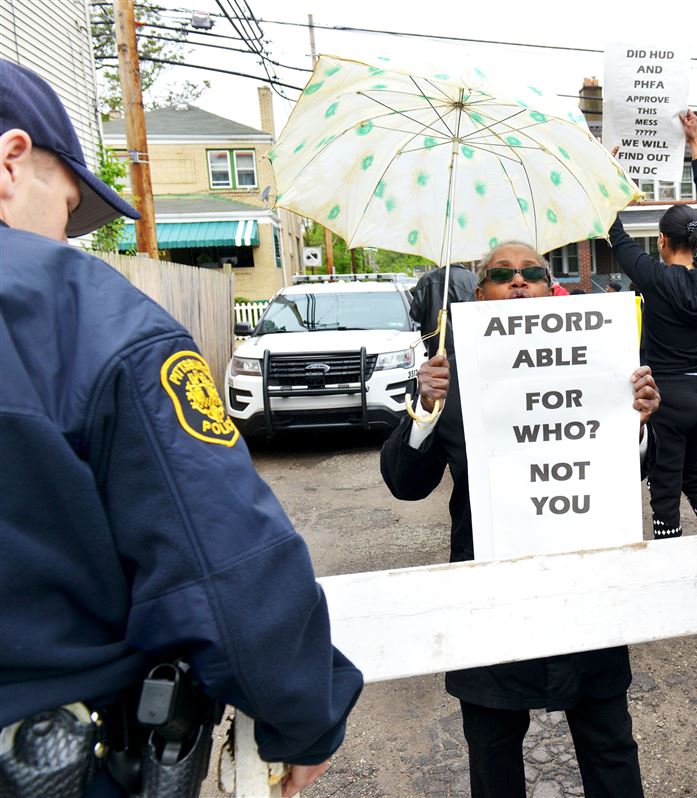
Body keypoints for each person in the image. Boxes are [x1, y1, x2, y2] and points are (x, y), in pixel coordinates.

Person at [0, 60, 363, 798]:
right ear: (11, 161)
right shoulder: (83, 316)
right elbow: (223, 565)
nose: (63, 237)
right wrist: (306, 715)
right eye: (65, 207)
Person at [380, 241, 660, 798]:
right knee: (492, 748)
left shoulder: (601, 366)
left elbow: (631, 473)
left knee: (608, 741)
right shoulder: (450, 378)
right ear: (479, 293)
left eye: (531, 272)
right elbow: (406, 484)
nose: (518, 282)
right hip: (490, 589)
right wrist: (425, 409)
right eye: (501, 274)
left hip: (583, 585)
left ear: (549, 289)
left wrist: (634, 425)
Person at [609, 110, 697, 539]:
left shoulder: (653, 276)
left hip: (671, 397)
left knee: (665, 488)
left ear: (661, 241)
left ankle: (669, 557)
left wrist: (610, 173)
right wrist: (694, 143)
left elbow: (613, 231)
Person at [408, 261, 477, 356]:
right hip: (466, 349)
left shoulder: (426, 280)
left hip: (435, 349)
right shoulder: (472, 280)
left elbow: (415, 314)